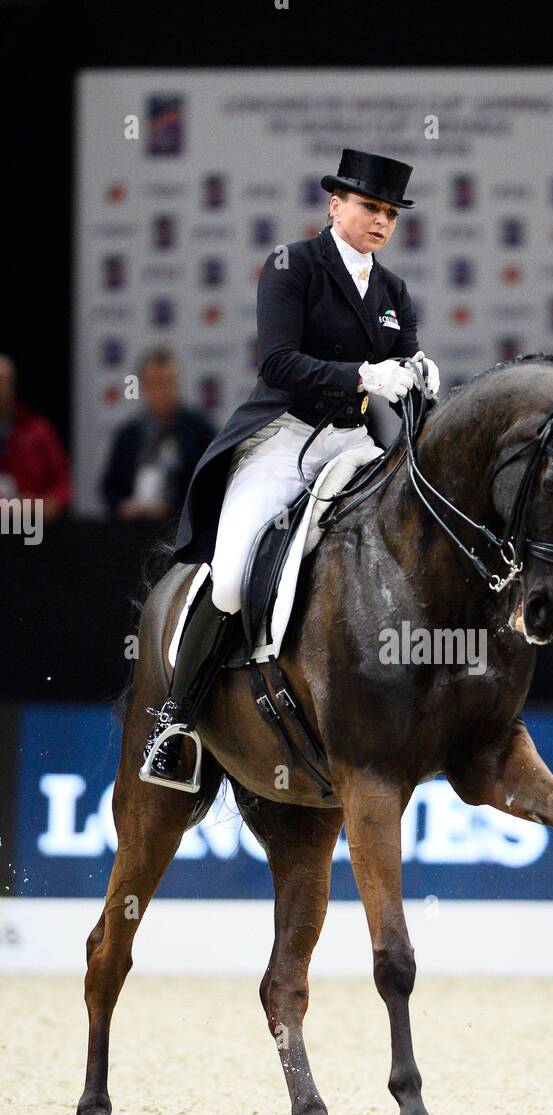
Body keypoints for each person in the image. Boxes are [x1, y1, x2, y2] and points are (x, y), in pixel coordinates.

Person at [141, 148, 440, 791]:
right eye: (370, 207)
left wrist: (419, 374)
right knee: (228, 578)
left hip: (351, 443)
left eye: (391, 212)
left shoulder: (393, 292)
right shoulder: (292, 266)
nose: (381, 221)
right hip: (283, 436)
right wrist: (363, 373)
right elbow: (277, 362)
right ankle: (177, 720)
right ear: (336, 205)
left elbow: (406, 361)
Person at [101, 348, 215, 520]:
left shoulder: (200, 431)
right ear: (142, 385)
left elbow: (210, 485)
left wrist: (172, 508)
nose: (161, 390)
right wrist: (122, 505)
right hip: (131, 527)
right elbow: (109, 486)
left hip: (182, 526)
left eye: (167, 382)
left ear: (176, 383)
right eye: (154, 382)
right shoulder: (128, 434)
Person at [0, 353, 71, 519]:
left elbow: (62, 484)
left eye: (4, 380)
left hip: (30, 525)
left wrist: (45, 504)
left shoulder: (38, 430)